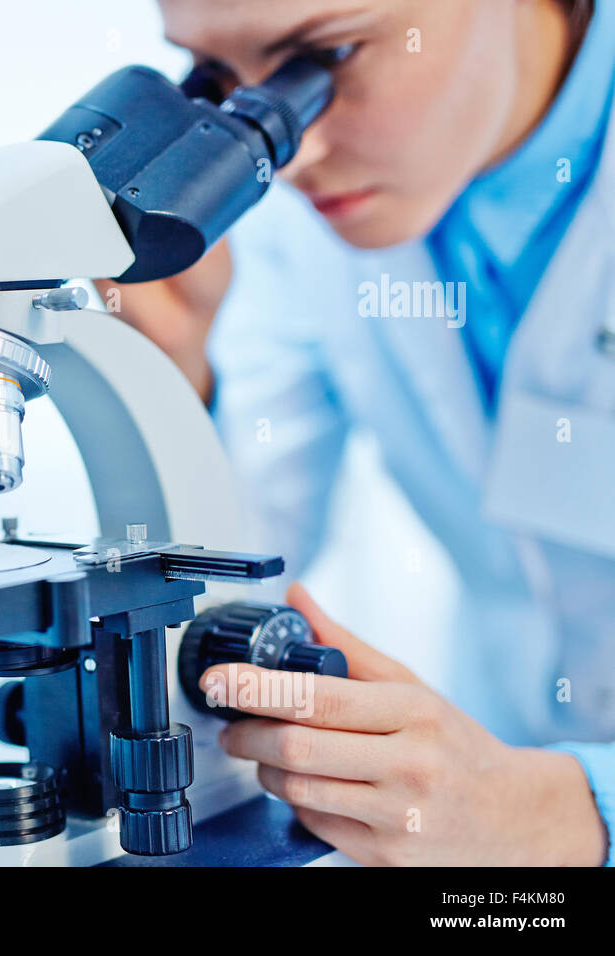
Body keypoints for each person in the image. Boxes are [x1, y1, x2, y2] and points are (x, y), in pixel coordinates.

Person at [99, 0, 614, 865]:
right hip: (496, 792)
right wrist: (173, 378)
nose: (294, 156)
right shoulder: (297, 222)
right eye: (223, 82)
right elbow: (243, 565)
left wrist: (576, 813)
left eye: (329, 55)